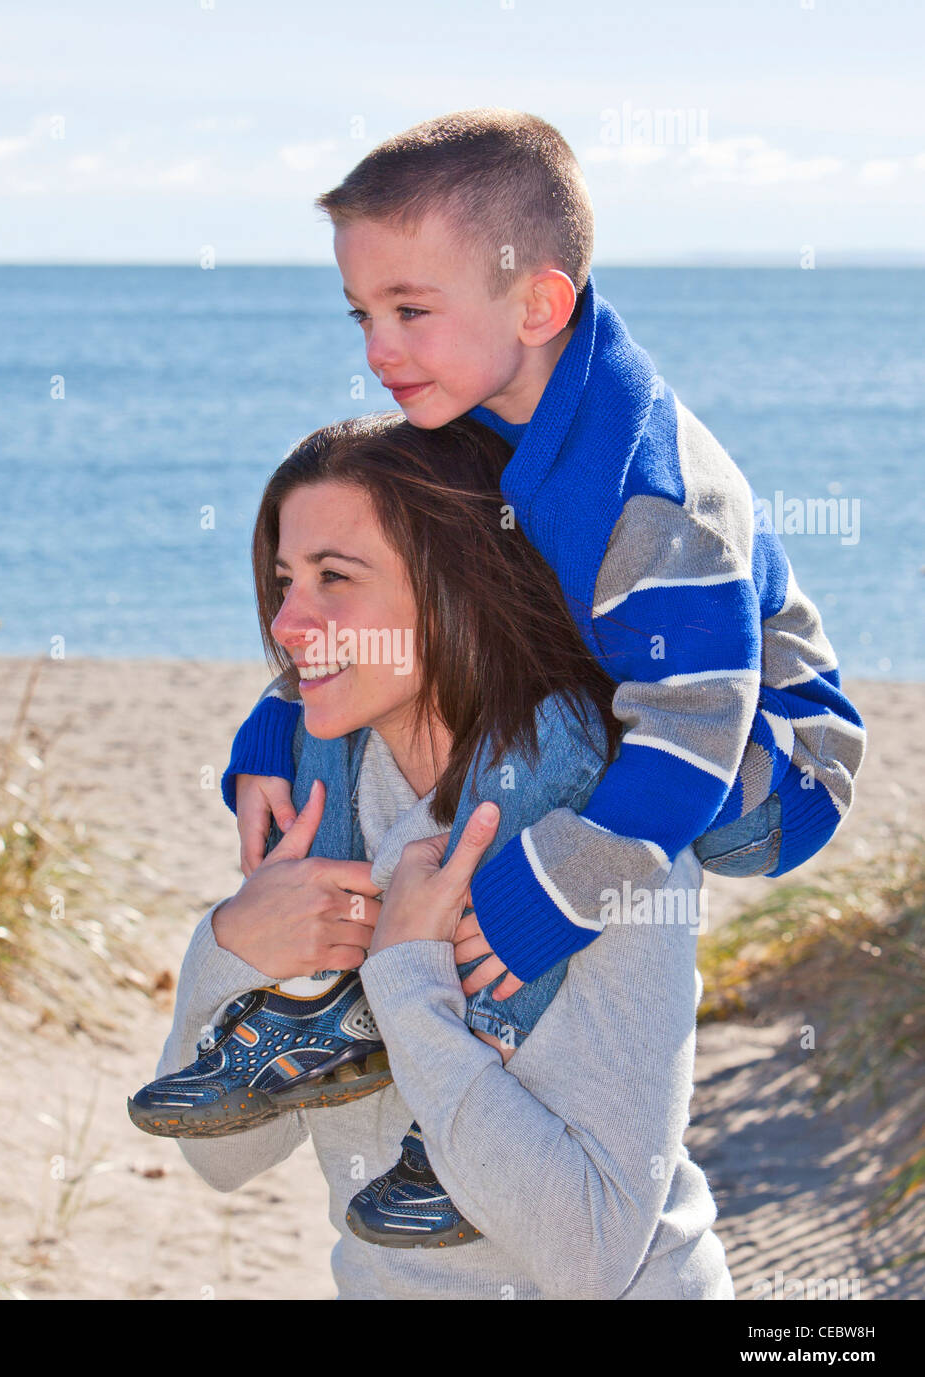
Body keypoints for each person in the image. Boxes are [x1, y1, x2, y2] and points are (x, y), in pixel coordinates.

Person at [223, 108, 866, 997]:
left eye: (410, 310)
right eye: (362, 313)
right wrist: (277, 728)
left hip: (767, 770)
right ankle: (331, 992)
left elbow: (692, 730)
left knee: (550, 746)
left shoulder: (654, 498)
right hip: (635, 685)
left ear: (536, 305)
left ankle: (480, 1015)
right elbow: (394, 608)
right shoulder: (473, 397)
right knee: (407, 662)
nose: (377, 350)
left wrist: (554, 897)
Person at [131, 413, 733, 1297]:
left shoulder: (599, 842)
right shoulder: (313, 798)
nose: (289, 622)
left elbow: (592, 1249)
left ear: (459, 586)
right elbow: (226, 1162)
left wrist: (407, 982)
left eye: (334, 577)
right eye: (283, 581)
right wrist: (228, 948)